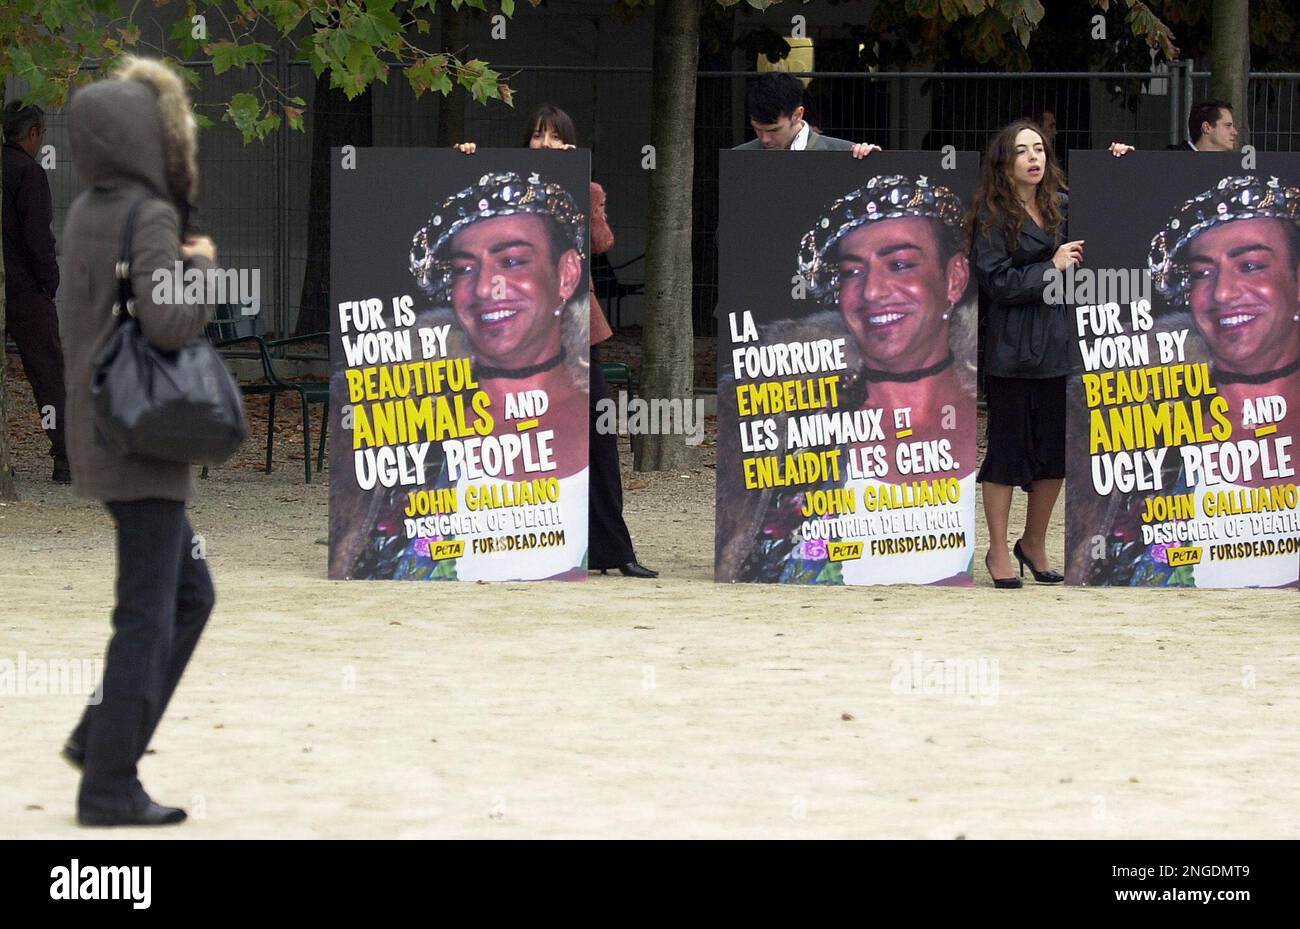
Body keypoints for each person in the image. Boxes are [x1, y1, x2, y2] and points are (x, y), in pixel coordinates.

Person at [59, 56, 219, 826]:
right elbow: (170, 322)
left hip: (103, 431)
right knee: (148, 613)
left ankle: (101, 736)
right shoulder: (150, 215)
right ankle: (109, 787)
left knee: (188, 595)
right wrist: (205, 272)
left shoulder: (87, 208)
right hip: (145, 444)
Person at [717, 175, 978, 584]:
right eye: (852, 273)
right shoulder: (789, 422)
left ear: (955, 278)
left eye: (900, 264)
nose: (872, 291)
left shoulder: (987, 404)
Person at [455, 105, 657, 578]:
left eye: (555, 138)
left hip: (574, 330)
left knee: (597, 435)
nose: (545, 145)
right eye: (538, 137)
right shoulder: (497, 183)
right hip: (510, 332)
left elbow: (602, 243)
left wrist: (578, 181)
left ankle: (614, 550)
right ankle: (502, 540)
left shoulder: (583, 187)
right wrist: (464, 158)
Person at [968, 119, 1082, 589]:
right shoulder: (992, 217)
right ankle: (998, 549)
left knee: (1055, 453)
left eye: (1039, 149)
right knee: (1007, 452)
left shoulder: (1064, 207)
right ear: (1005, 162)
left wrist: (1122, 160)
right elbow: (996, 284)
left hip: (1060, 346)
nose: (1034, 158)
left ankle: (1032, 542)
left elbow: (1120, 214)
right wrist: (1048, 267)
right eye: (1022, 151)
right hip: (1011, 350)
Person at [3, 101, 69, 482]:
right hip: (25, 288)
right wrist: (48, 281)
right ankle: (65, 456)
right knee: (47, 374)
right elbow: (36, 237)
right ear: (32, 134)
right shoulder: (28, 173)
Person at [734, 72, 881, 158]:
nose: (765, 139)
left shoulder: (844, 153)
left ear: (798, 115)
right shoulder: (739, 157)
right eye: (758, 129)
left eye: (774, 130)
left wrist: (871, 162)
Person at [1167, 100, 1239, 152]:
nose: (1235, 132)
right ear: (1206, 128)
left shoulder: (1229, 166)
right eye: (1228, 126)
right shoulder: (1170, 161)